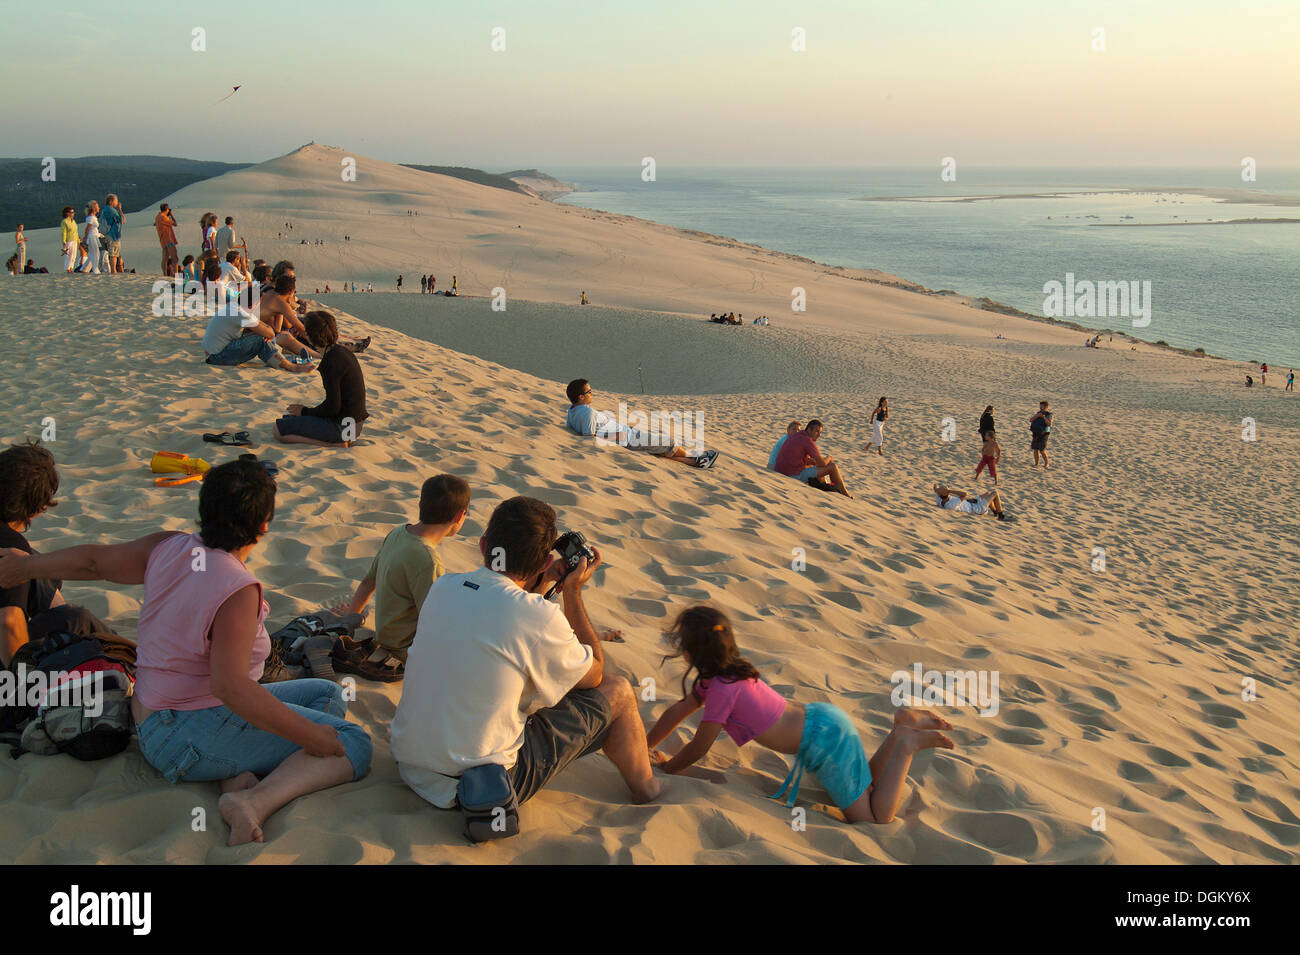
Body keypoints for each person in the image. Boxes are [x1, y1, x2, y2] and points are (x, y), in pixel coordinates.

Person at [0, 459, 373, 845]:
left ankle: (233, 773)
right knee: (353, 744)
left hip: (151, 716)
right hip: (182, 734)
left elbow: (96, 561)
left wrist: (28, 566)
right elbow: (231, 688)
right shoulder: (238, 590)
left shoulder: (170, 546)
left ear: (204, 510)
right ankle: (253, 801)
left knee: (326, 693)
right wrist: (314, 738)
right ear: (263, 525)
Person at [390, 496, 661, 811]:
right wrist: (572, 592)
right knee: (619, 691)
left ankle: (635, 761)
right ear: (545, 562)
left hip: (410, 765)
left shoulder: (444, 587)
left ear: (483, 545)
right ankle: (647, 788)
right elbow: (595, 673)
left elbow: (500, 615)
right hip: (481, 785)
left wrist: (541, 585)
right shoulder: (537, 616)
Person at [645, 606, 954, 823]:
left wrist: (670, 768)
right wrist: (645, 745)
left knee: (875, 818)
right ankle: (899, 730)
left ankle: (907, 746)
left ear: (692, 652)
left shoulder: (722, 690)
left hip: (823, 744)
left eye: (682, 642)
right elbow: (678, 710)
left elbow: (700, 745)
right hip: (825, 722)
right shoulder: (723, 675)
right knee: (865, 781)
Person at [331, 475, 470, 681]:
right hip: (404, 650)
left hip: (384, 636)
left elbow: (369, 581)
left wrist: (352, 616)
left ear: (421, 504)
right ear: (459, 516)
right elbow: (433, 620)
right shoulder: (428, 560)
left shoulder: (398, 533)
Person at [565, 379, 719, 468]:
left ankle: (695, 462)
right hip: (628, 438)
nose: (592, 394)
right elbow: (590, 438)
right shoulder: (587, 413)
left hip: (627, 435)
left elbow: (576, 429)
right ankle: (698, 457)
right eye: (589, 392)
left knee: (660, 449)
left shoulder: (572, 411)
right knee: (667, 441)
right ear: (581, 397)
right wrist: (616, 436)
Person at [273, 311, 368, 446]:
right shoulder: (342, 352)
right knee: (288, 419)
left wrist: (304, 411)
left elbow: (332, 407)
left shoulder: (330, 361)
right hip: (354, 423)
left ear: (311, 337)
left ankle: (335, 444)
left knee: (279, 430)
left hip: (345, 428)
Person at [201, 261, 313, 373]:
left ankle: (291, 360)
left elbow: (267, 330)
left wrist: (265, 331)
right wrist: (265, 332)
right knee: (260, 340)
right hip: (217, 357)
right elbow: (271, 333)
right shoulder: (242, 314)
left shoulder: (235, 308)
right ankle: (293, 366)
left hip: (214, 354)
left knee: (260, 338)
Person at [774, 419, 852, 497]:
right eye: (817, 431)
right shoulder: (807, 440)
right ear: (809, 429)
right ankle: (844, 493)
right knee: (832, 467)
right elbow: (822, 463)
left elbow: (796, 457)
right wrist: (829, 458)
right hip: (791, 475)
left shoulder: (797, 435)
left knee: (814, 464)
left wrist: (814, 462)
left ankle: (825, 485)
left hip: (779, 470)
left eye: (820, 433)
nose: (818, 435)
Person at [932, 483, 1006, 520]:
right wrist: (949, 491)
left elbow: (935, 486)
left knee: (987, 494)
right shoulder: (950, 505)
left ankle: (995, 512)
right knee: (994, 493)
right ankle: (1000, 515)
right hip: (977, 509)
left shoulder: (939, 499)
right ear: (947, 493)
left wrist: (941, 490)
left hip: (970, 503)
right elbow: (964, 494)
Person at [155, 203, 179, 276]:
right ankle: (176, 274)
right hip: (168, 239)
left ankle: (165, 274)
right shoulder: (163, 217)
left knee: (165, 258)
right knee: (175, 257)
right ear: (167, 209)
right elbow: (175, 224)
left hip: (163, 240)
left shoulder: (158, 216)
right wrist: (171, 215)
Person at [102, 194, 124, 273]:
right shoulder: (111, 210)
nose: (117, 202)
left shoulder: (106, 209)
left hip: (109, 234)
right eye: (116, 201)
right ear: (111, 201)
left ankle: (113, 270)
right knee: (113, 253)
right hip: (112, 235)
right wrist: (120, 210)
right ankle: (113, 270)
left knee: (113, 253)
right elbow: (122, 220)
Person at [1029, 401, 1054, 469]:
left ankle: (1046, 463)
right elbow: (1031, 420)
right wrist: (1037, 416)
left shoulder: (1049, 414)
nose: (1040, 408)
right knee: (1035, 449)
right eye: (1040, 406)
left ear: (1046, 407)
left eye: (1042, 407)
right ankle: (1036, 463)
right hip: (1036, 432)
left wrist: (1043, 418)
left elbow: (1049, 424)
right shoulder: (1038, 413)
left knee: (1042, 450)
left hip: (1044, 434)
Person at [81, 202, 101, 274]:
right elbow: (87, 229)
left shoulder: (93, 217)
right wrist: (85, 238)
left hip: (94, 236)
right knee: (96, 254)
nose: (99, 208)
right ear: (94, 208)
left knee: (92, 254)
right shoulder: (91, 218)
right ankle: (95, 270)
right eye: (97, 206)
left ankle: (84, 269)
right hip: (92, 237)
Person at [60, 207, 78, 272]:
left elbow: (76, 232)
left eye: (73, 212)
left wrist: (78, 240)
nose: (72, 214)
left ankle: (71, 268)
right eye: (71, 212)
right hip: (68, 241)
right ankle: (68, 269)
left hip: (75, 240)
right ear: (67, 213)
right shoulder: (64, 221)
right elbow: (64, 232)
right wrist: (63, 241)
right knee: (68, 256)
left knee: (73, 256)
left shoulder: (73, 221)